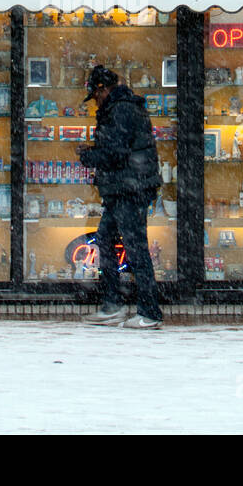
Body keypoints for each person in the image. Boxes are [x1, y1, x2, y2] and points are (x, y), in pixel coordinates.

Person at [77, 65, 164, 329]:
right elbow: (119, 150)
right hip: (125, 188)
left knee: (135, 249)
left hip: (129, 189)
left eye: (96, 96)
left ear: (103, 89)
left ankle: (149, 312)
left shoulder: (121, 110)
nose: (96, 102)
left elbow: (115, 154)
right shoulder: (121, 107)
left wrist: (87, 156)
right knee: (106, 240)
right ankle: (113, 304)